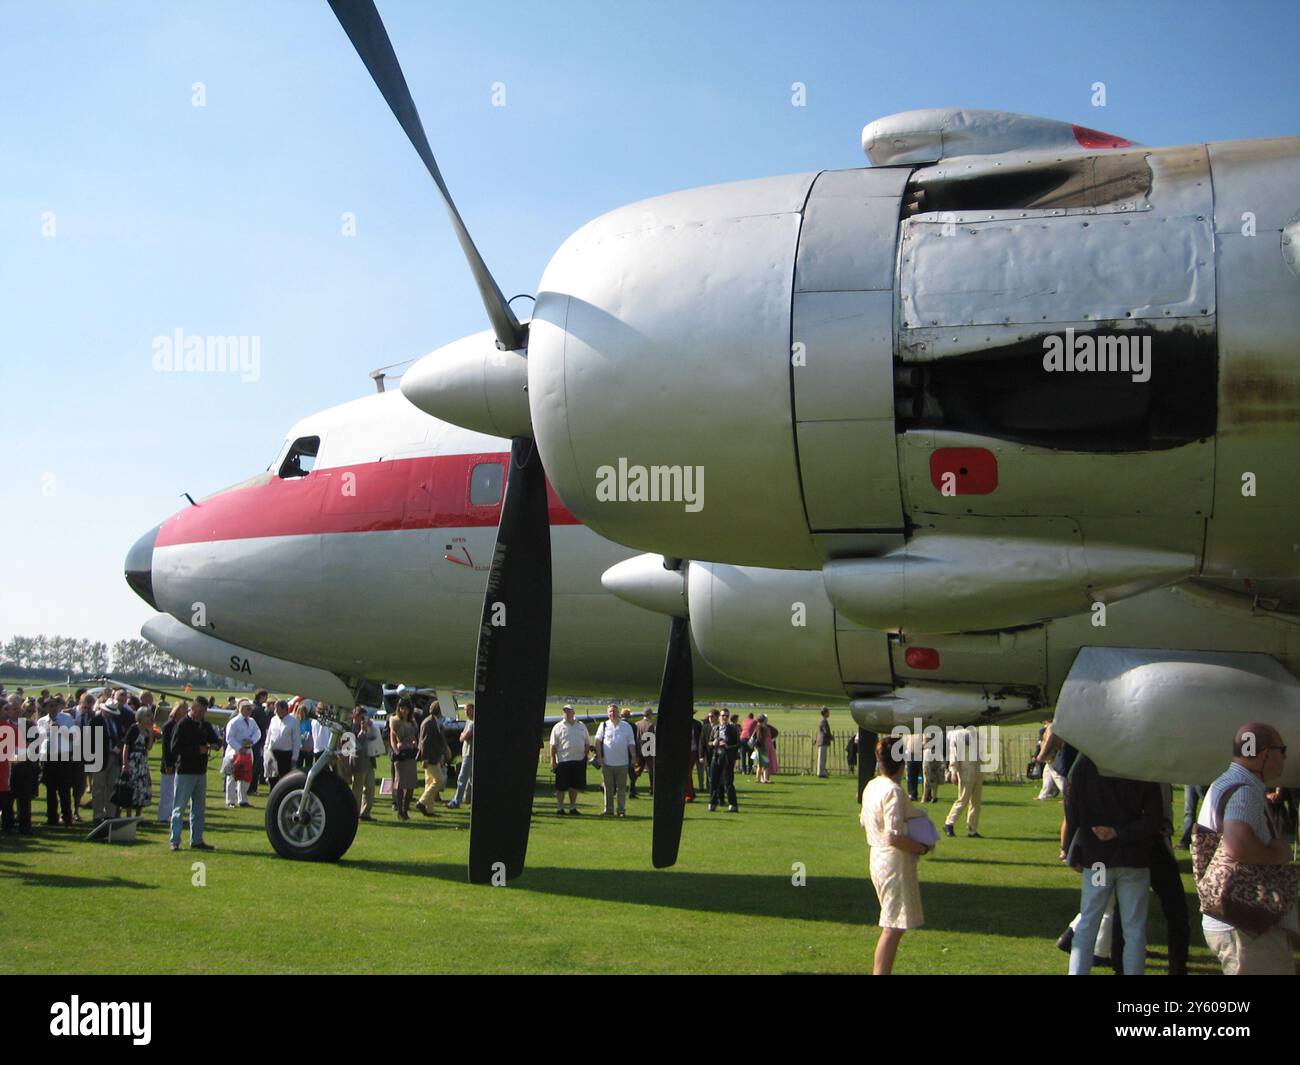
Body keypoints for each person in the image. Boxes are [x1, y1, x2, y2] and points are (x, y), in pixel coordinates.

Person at [1196, 722, 1296, 975]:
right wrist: (1279, 853)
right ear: (1264, 754)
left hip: (1230, 918)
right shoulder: (1245, 792)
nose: (1284, 757)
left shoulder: (1224, 783)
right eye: (1281, 750)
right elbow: (1237, 843)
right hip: (1245, 925)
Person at [1062, 753, 1161, 975]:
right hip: (1133, 857)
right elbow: (1153, 819)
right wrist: (1120, 832)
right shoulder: (1141, 764)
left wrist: (1074, 845)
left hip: (1098, 858)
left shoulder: (1085, 763)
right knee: (1134, 928)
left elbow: (1071, 806)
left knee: (1089, 921)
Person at [861, 736, 930, 975]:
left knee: (894, 923)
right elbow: (893, 836)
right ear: (901, 764)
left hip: (877, 857)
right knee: (892, 925)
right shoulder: (893, 791)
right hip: (893, 861)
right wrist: (921, 847)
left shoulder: (872, 785)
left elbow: (863, 822)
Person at [169, 697, 215, 851]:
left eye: (205, 711)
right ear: (193, 708)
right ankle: (174, 840)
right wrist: (197, 750)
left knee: (198, 808)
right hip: (185, 771)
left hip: (201, 771)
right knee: (179, 808)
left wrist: (215, 743)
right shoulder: (182, 724)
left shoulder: (204, 725)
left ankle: (196, 840)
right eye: (201, 710)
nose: (202, 714)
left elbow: (215, 739)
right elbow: (175, 748)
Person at [37, 698, 77, 827]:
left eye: (55, 705)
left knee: (64, 789)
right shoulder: (41, 721)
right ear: (46, 708)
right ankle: (52, 818)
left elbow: (73, 737)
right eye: (50, 706)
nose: (53, 708)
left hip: (62, 756)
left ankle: (67, 817)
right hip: (48, 757)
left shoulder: (67, 718)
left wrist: (59, 730)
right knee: (50, 790)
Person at [594, 703, 636, 817]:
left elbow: (631, 742)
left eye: (614, 711)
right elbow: (597, 742)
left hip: (622, 762)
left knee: (621, 788)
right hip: (607, 763)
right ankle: (608, 810)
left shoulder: (626, 726)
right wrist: (600, 757)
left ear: (618, 713)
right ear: (608, 714)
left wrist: (633, 756)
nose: (612, 713)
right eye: (610, 712)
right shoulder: (603, 725)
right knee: (608, 788)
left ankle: (621, 810)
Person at [943, 724, 984, 838]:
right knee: (963, 799)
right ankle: (949, 823)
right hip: (966, 770)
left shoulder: (976, 733)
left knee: (976, 801)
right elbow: (954, 755)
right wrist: (953, 772)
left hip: (977, 769)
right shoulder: (957, 734)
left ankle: (972, 829)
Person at [549, 704, 592, 815]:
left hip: (578, 760)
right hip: (563, 760)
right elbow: (553, 745)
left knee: (574, 786)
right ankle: (560, 808)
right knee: (561, 787)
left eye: (569, 711)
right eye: (565, 711)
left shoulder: (581, 726)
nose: (567, 713)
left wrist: (585, 756)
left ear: (573, 712)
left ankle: (572, 807)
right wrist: (553, 760)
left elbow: (587, 742)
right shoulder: (558, 727)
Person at [339, 705, 380, 820]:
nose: (363, 720)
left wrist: (371, 729)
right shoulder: (349, 729)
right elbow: (355, 747)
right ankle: (354, 813)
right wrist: (362, 731)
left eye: (365, 717)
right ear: (355, 717)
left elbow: (375, 740)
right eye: (361, 717)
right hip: (358, 762)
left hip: (369, 761)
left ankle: (365, 812)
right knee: (357, 790)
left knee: (370, 788)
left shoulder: (368, 727)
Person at [223, 700, 261, 807]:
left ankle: (243, 799)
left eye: (251, 708)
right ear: (241, 709)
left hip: (248, 751)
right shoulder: (234, 722)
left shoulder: (252, 721)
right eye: (248, 708)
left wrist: (252, 741)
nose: (250, 711)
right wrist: (239, 748)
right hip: (234, 752)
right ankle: (230, 800)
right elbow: (229, 738)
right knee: (232, 777)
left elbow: (258, 733)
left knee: (246, 776)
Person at [119, 707, 154, 818]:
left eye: (150, 715)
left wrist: (151, 733)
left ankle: (138, 815)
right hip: (133, 761)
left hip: (142, 762)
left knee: (142, 787)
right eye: (147, 715)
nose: (149, 718)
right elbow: (126, 746)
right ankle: (128, 814)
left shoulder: (147, 730)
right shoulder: (134, 728)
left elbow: (149, 747)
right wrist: (124, 763)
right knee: (131, 787)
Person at [388, 698, 419, 820]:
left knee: (410, 784)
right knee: (400, 784)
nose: (404, 711)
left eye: (406, 708)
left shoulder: (412, 722)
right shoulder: (395, 721)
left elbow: (414, 737)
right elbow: (392, 738)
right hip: (401, 753)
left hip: (411, 753)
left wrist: (416, 746)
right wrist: (396, 751)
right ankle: (400, 811)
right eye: (402, 708)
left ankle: (406, 810)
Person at [157, 701, 187, 825]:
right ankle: (163, 816)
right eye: (184, 709)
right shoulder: (169, 725)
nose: (186, 711)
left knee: (178, 792)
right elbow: (166, 747)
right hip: (169, 763)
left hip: (180, 763)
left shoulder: (183, 724)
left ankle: (174, 816)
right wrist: (168, 764)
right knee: (167, 792)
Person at [415, 705, 447, 816]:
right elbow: (424, 742)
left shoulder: (437, 722)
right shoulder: (428, 723)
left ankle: (429, 809)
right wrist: (425, 758)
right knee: (439, 780)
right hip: (429, 757)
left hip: (435, 756)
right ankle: (422, 802)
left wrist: (441, 754)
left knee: (429, 782)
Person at [707, 709, 740, 813]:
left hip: (727, 758)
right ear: (719, 717)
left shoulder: (732, 729)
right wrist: (713, 743)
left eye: (726, 715)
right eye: (723, 715)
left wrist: (727, 746)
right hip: (716, 757)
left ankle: (733, 805)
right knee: (713, 781)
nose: (724, 717)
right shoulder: (715, 728)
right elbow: (709, 742)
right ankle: (712, 803)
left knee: (728, 782)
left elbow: (738, 744)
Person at [263, 699, 301, 784]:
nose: (275, 711)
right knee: (272, 779)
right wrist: (266, 751)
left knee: (284, 779)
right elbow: (269, 736)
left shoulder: (293, 721)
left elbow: (296, 740)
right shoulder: (273, 719)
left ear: (284, 709)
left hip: (286, 755)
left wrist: (295, 758)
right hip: (272, 753)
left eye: (277, 709)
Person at [446, 704, 474, 809]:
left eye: (468, 710)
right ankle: (467, 800)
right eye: (465, 710)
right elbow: (462, 736)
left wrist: (463, 735)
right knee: (470, 780)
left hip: (469, 754)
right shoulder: (468, 722)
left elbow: (464, 737)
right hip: (466, 753)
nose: (466, 712)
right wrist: (463, 735)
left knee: (462, 778)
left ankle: (456, 801)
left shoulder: (472, 724)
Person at [1035, 720, 1066, 800]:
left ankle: (1067, 796)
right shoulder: (1053, 726)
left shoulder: (1051, 727)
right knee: (1047, 774)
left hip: (1052, 754)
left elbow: (1048, 742)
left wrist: (1041, 755)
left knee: (1057, 776)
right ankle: (1042, 796)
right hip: (1052, 753)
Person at [249, 689, 270, 795]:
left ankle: (248, 787)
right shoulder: (259, 710)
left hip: (250, 740)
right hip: (257, 741)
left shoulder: (251, 708)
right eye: (265, 697)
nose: (266, 699)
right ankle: (252, 788)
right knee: (256, 765)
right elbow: (263, 726)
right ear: (261, 697)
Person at [635, 708, 656, 796]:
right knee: (652, 771)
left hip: (638, 750)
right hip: (648, 750)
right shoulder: (651, 725)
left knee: (637, 770)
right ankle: (652, 789)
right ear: (649, 714)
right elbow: (652, 739)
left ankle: (632, 786)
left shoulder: (637, 724)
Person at [814, 707, 833, 778]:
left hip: (822, 741)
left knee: (822, 757)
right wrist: (831, 737)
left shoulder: (822, 720)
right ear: (825, 713)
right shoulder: (824, 721)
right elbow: (826, 731)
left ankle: (821, 772)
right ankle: (821, 773)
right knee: (822, 757)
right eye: (828, 712)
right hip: (823, 741)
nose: (829, 713)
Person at [296, 703, 315, 769]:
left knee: (305, 766)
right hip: (303, 747)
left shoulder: (309, 722)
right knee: (302, 766)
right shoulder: (297, 722)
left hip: (305, 747)